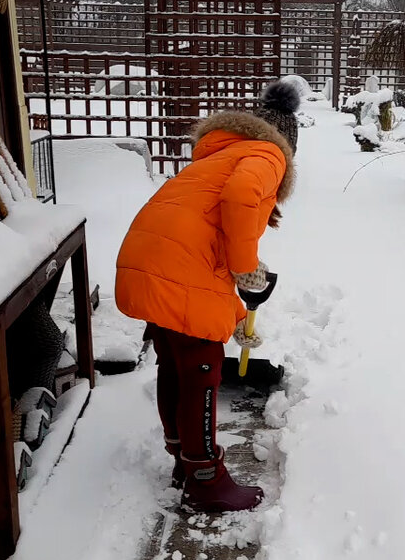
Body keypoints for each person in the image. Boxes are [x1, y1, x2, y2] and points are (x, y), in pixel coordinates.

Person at [115, 81, 300, 513]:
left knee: (177, 364)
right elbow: (240, 200)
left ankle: (183, 459)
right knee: (200, 371)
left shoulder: (216, 159)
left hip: (150, 260)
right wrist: (245, 266)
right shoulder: (267, 154)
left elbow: (201, 260)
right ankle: (206, 479)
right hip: (175, 269)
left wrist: (236, 314)